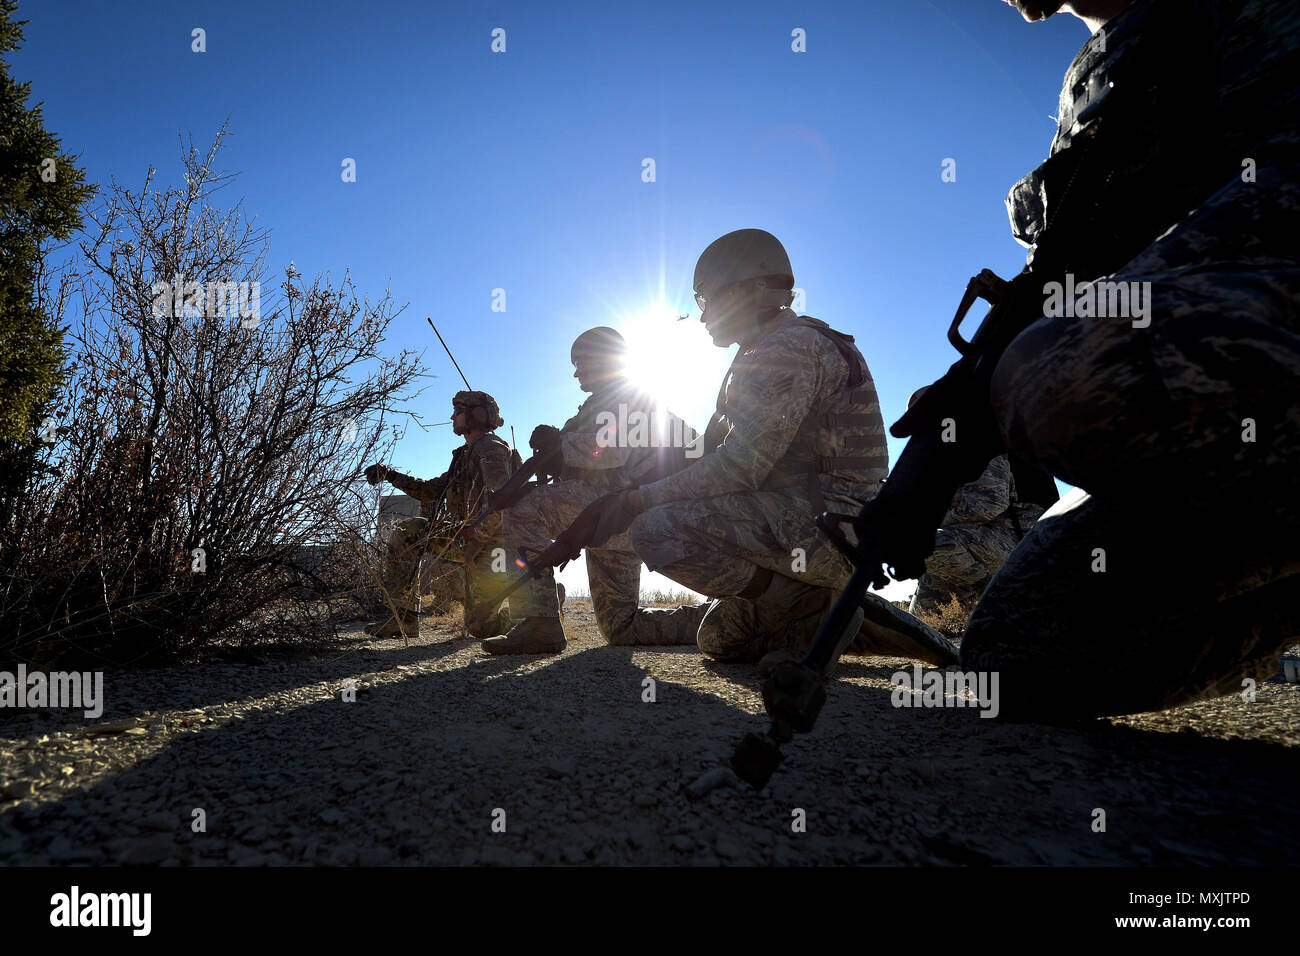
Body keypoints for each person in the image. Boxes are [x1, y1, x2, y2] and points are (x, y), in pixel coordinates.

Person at [954, 0, 1300, 718]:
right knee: (1017, 650)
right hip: (1230, 386)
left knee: (1047, 377)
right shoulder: (1090, 76)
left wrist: (1077, 320)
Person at [573, 229, 892, 666]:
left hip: (831, 527)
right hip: (810, 521)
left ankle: (810, 608)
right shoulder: (765, 348)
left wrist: (634, 499)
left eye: (706, 297)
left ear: (749, 288)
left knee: (654, 529)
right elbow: (715, 454)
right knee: (720, 639)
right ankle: (811, 609)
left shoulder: (788, 346)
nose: (702, 314)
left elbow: (739, 467)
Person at [482, 328, 707, 654]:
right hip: (606, 517)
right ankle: (723, 616)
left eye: (581, 361)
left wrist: (560, 445)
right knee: (621, 628)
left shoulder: (632, 395)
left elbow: (613, 449)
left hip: (625, 511)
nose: (576, 371)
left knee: (524, 506)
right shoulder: (602, 402)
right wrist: (557, 452)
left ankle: (539, 622)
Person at [363, 390, 520, 639]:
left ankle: (531, 611)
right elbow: (429, 490)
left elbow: (501, 504)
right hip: (466, 537)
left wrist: (477, 539)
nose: (452, 416)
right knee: (409, 532)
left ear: (476, 415)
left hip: (493, 543)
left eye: (458, 411)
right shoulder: (463, 456)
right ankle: (404, 618)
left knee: (482, 628)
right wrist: (390, 475)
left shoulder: (491, 449)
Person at [904, 387, 1045, 616]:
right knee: (923, 619)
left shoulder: (978, 437)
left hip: (1022, 538)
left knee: (919, 544)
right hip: (980, 540)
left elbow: (989, 504)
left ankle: (997, 597)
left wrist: (925, 521)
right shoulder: (948, 451)